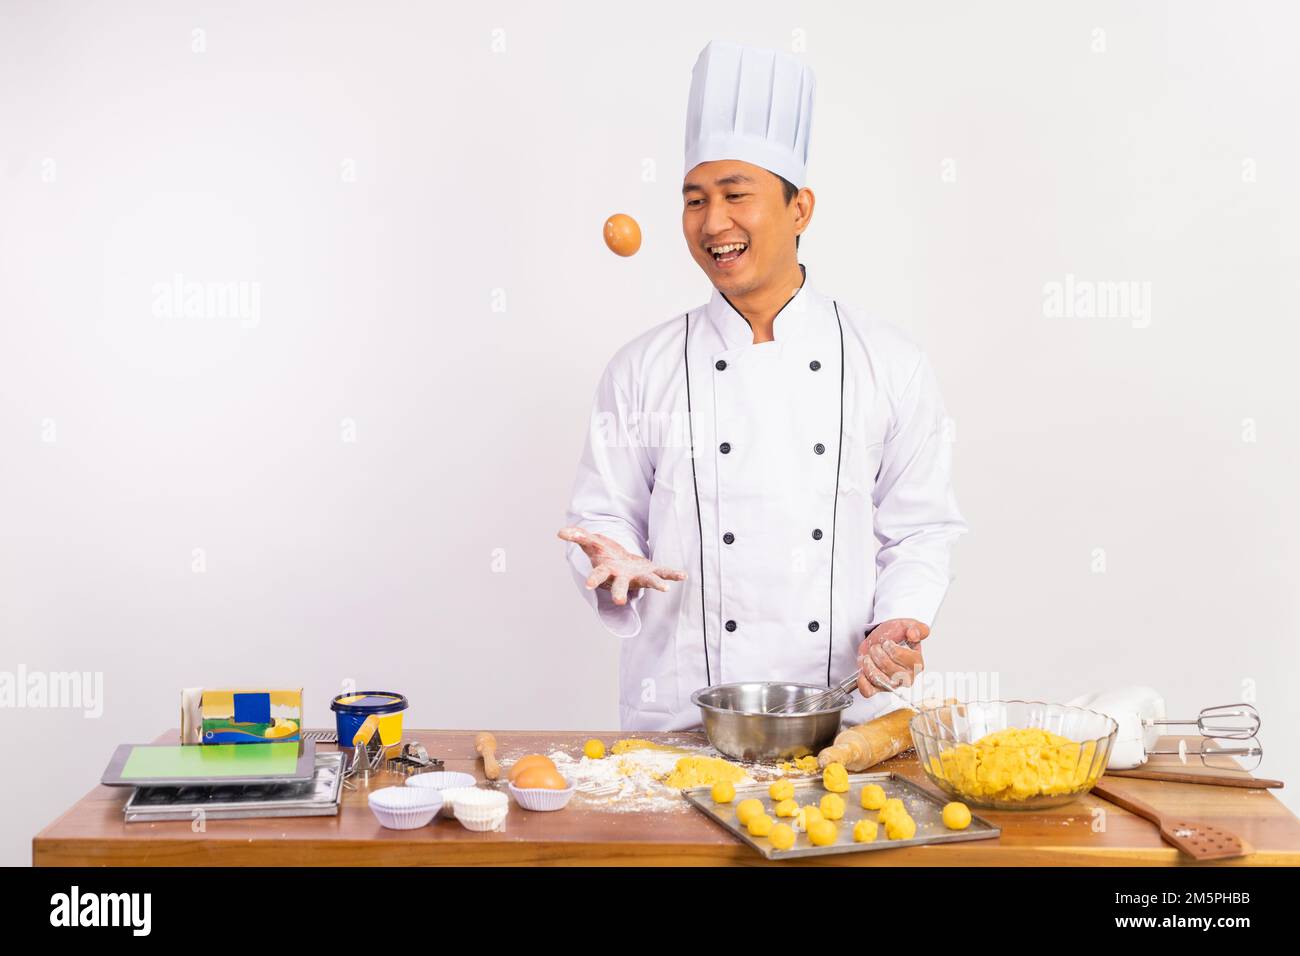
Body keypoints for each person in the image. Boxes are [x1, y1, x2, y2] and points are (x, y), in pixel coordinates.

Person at [559, 39, 967, 731]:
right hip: (680, 726)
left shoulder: (889, 363)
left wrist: (901, 620)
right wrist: (611, 557)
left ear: (800, 209)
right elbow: (601, 518)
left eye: (735, 195)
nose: (712, 223)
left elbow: (921, 527)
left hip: (841, 720)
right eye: (694, 200)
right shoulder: (640, 368)